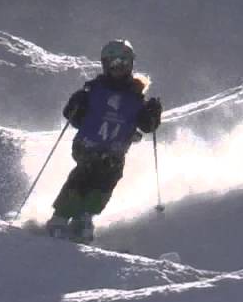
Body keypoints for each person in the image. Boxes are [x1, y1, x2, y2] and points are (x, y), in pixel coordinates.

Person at [47, 39, 162, 243]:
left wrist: (153, 113)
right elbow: (74, 117)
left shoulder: (136, 97)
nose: (119, 67)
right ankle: (61, 215)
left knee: (109, 177)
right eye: (114, 62)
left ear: (131, 64)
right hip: (87, 144)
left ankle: (84, 216)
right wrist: (77, 104)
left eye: (124, 62)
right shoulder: (94, 90)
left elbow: (147, 126)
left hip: (115, 149)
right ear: (105, 64)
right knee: (88, 170)